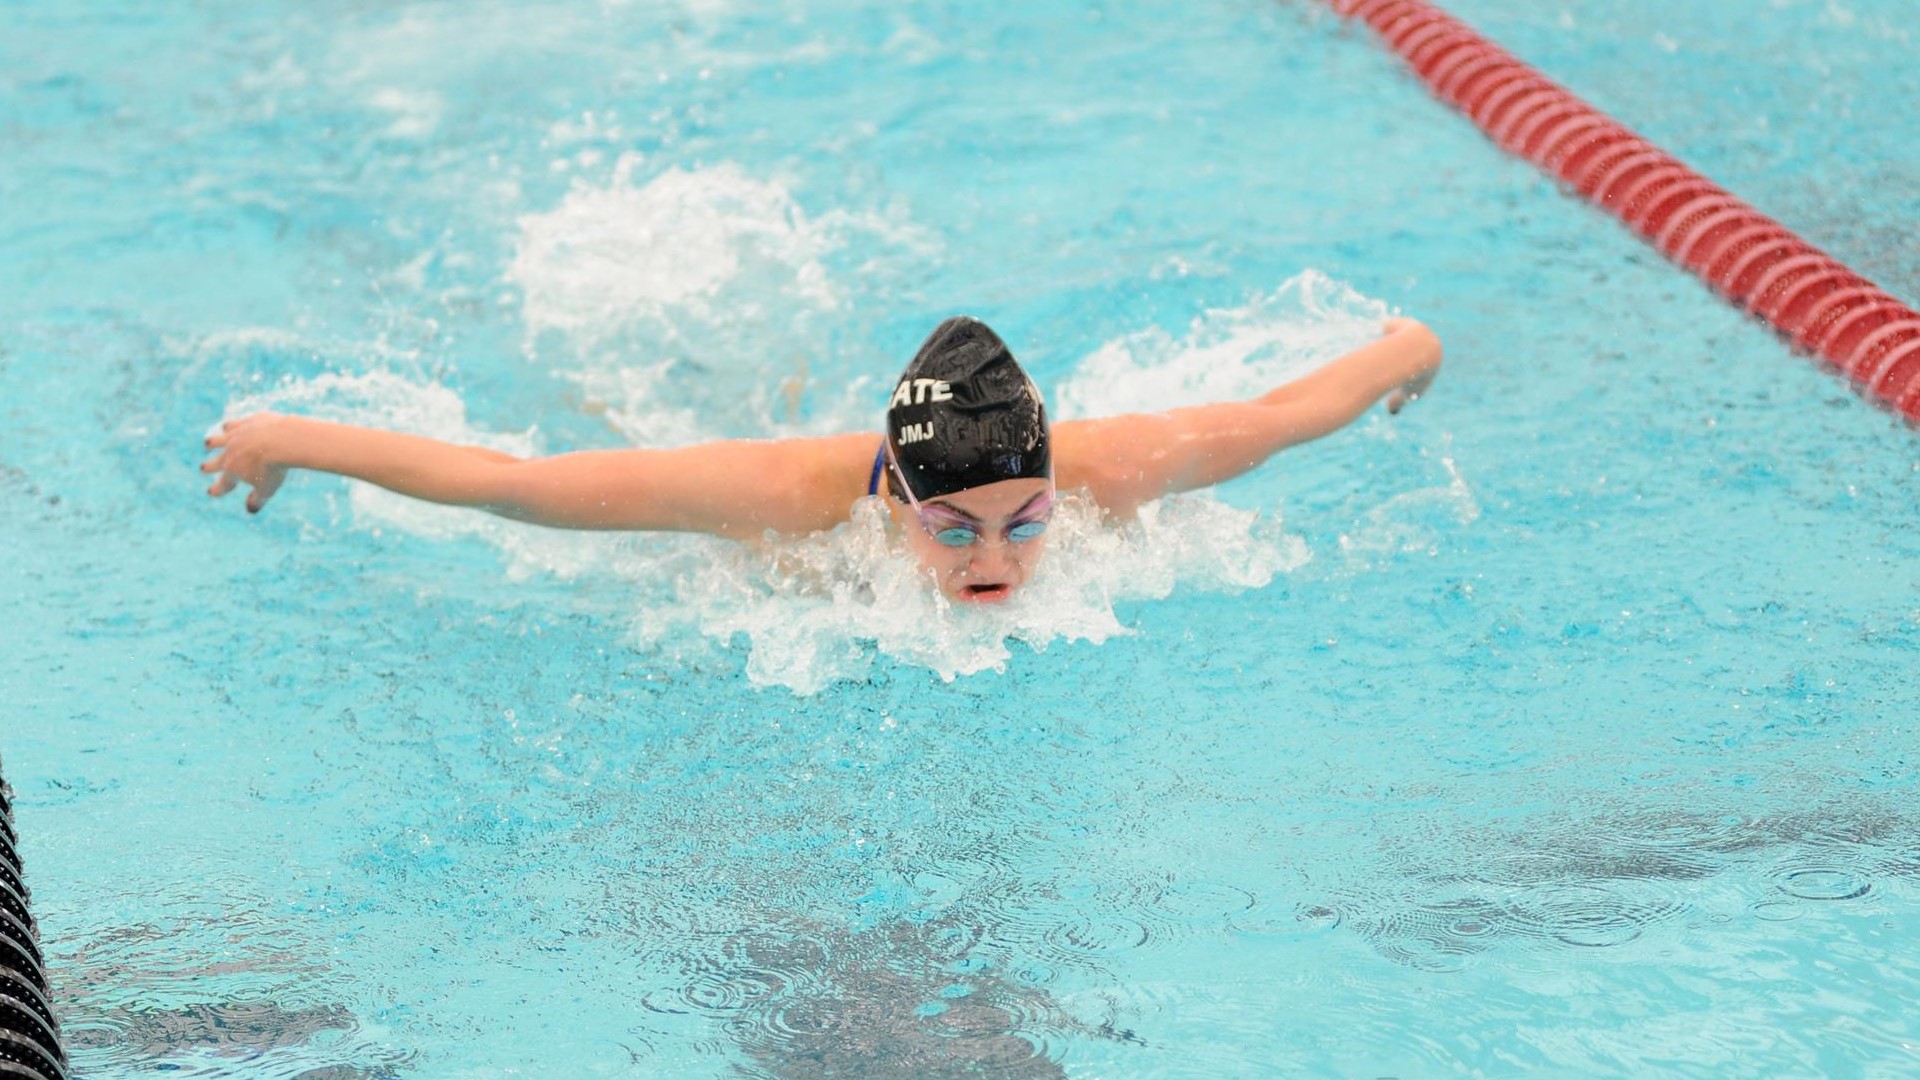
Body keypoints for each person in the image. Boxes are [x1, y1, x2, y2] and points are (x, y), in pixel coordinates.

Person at [202, 315, 1441, 604]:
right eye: (953, 531)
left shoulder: (1124, 466)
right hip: (767, 511)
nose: (996, 562)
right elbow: (514, 486)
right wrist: (286, 442)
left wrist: (1412, 350)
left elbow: (1295, 408)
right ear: (895, 496)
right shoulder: (791, 500)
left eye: (1025, 521)